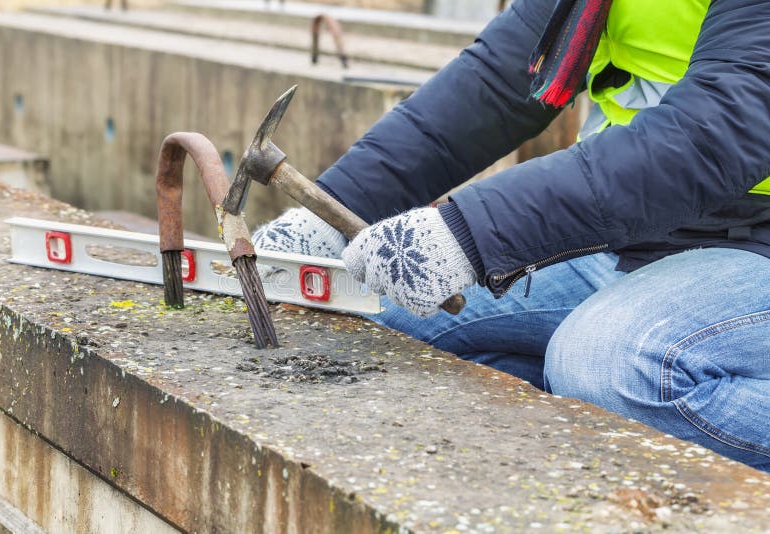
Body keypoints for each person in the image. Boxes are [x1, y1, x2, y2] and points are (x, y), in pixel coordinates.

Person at [253, 0, 770, 472]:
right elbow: (499, 83)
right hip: (635, 232)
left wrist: (472, 233)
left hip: (751, 241)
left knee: (608, 366)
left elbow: (719, 129)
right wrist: (331, 212)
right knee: (377, 316)